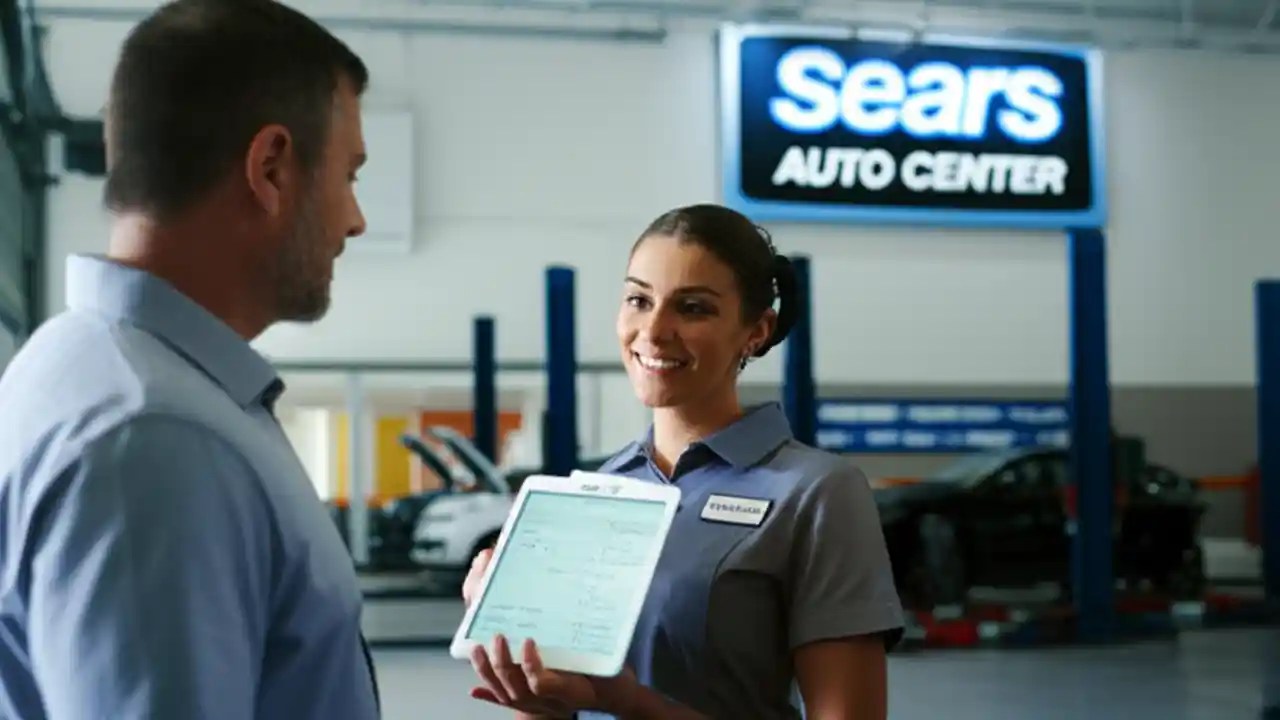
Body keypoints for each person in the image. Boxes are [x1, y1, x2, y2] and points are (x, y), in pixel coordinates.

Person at [0, 1, 377, 718]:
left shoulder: (71, 359)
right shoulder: (158, 437)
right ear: (270, 167)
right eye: (349, 175)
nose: (355, 219)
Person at [462, 204, 905, 719]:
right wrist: (513, 647)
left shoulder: (815, 493)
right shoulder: (598, 490)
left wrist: (628, 701)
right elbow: (555, 707)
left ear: (756, 330)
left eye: (692, 308)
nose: (653, 331)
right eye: (638, 299)